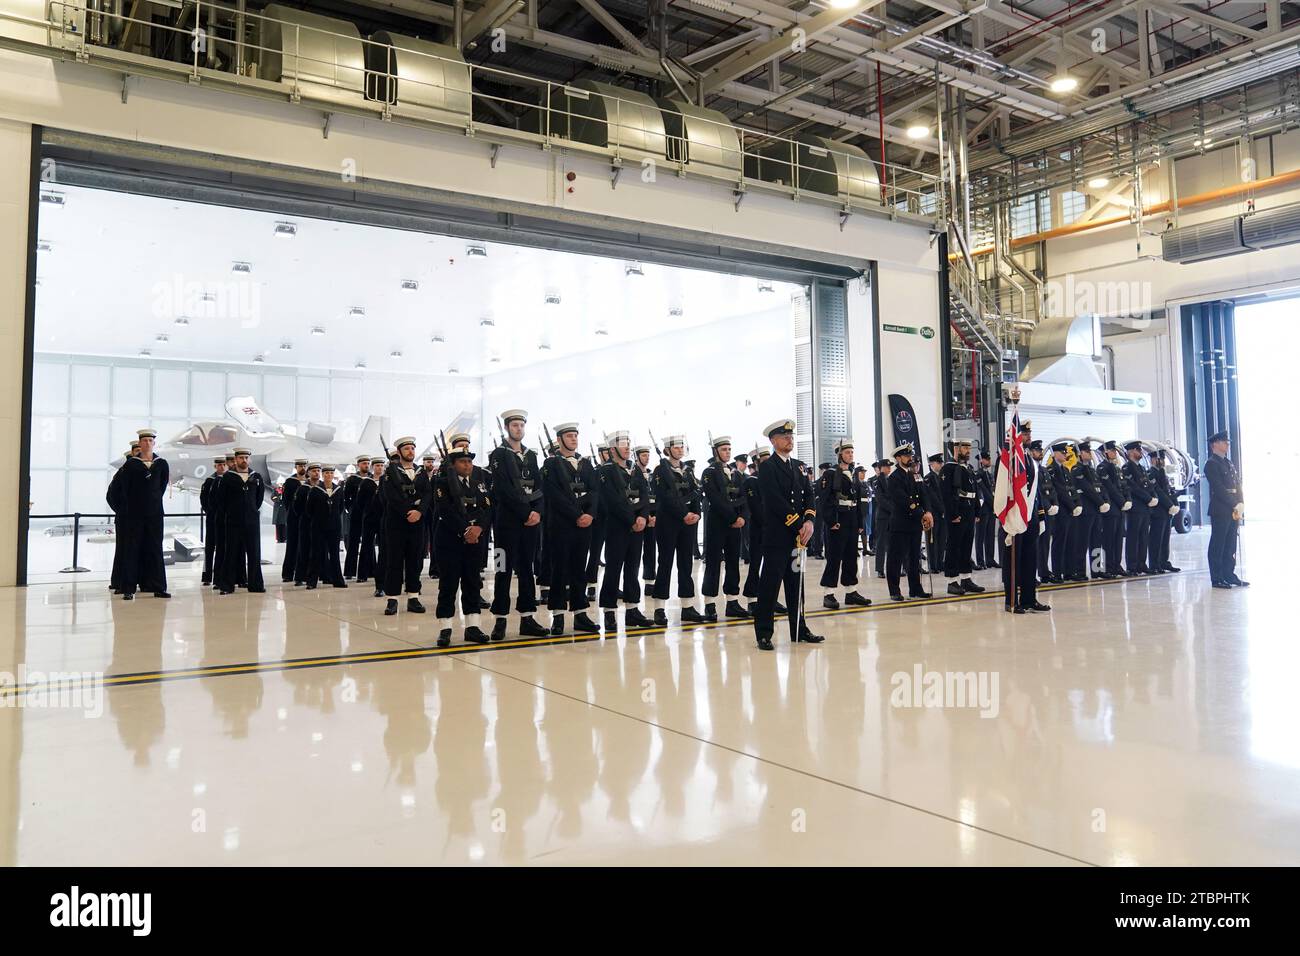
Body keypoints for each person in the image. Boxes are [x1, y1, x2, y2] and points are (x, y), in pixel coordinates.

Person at [751, 418, 822, 651]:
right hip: (778, 538)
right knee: (770, 587)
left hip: (797, 540)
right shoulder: (768, 468)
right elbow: (774, 501)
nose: (789, 440)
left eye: (791, 437)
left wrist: (810, 520)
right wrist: (799, 524)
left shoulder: (798, 466)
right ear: (773, 441)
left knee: (796, 586)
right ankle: (764, 633)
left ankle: (799, 628)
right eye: (784, 437)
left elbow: (809, 495)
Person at [487, 409, 549, 640]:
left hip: (530, 523)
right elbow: (503, 490)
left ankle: (527, 618)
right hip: (506, 524)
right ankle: (500, 619)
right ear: (506, 428)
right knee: (503, 570)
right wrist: (526, 512)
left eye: (521, 426)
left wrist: (537, 512)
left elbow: (539, 487)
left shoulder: (531, 455)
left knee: (527, 570)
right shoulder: (498, 454)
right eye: (514, 426)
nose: (518, 429)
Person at [542, 423, 600, 635]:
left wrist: (590, 515)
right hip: (562, 525)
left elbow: (595, 491)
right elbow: (554, 495)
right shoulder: (551, 464)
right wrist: (577, 515)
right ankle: (558, 615)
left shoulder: (586, 464)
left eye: (576, 435)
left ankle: (580, 612)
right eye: (569, 436)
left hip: (584, 525)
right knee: (560, 569)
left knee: (579, 569)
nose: (574, 439)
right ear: (559, 440)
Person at [433, 448, 493, 646]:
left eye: (469, 461)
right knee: (449, 585)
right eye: (462, 462)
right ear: (453, 465)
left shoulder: (478, 485)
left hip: (474, 542)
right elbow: (446, 511)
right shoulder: (442, 484)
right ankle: (445, 628)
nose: (467, 465)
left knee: (472, 583)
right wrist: (466, 530)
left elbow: (487, 509)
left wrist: (478, 529)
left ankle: (472, 627)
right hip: (450, 541)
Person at [597, 430, 655, 632]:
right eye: (623, 445)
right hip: (617, 527)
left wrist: (643, 516)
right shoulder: (606, 471)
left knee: (633, 568)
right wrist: (632, 519)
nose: (628, 448)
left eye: (629, 444)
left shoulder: (634, 469)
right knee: (613, 569)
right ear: (613, 449)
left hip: (637, 526)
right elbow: (613, 500)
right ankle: (609, 612)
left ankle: (632, 610)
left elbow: (645, 495)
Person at [651, 435, 705, 626]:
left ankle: (688, 606)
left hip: (688, 522)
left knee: (686, 564)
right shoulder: (660, 470)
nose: (680, 449)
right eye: (676, 446)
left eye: (682, 446)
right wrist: (684, 514)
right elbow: (665, 497)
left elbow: (696, 493)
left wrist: (696, 513)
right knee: (665, 564)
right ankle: (659, 608)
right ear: (667, 449)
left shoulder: (687, 471)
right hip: (668, 522)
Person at [116, 428, 170, 600]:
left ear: (154, 443)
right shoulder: (131, 465)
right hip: (135, 514)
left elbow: (161, 487)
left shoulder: (161, 464)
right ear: (139, 443)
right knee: (132, 549)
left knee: (155, 548)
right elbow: (124, 489)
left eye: (150, 440)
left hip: (154, 514)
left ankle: (158, 586)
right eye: (144, 440)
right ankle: (128, 588)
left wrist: (152, 502)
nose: (147, 443)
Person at [700, 435, 750, 621]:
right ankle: (709, 604)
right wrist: (732, 517)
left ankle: (732, 601)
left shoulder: (736, 473)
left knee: (732, 562)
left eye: (729, 449)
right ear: (716, 451)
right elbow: (714, 498)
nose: (727, 452)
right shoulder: (709, 472)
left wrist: (742, 517)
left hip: (735, 523)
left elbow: (744, 497)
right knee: (713, 563)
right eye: (723, 449)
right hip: (718, 522)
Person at [380, 437, 431, 616]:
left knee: (415, 561)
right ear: (400, 451)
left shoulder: (421, 472)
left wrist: (419, 511)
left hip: (417, 523)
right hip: (397, 523)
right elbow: (391, 496)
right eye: (407, 449)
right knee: (394, 561)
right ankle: (392, 599)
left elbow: (427, 494)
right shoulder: (389, 472)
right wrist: (408, 511)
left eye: (412, 448)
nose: (410, 451)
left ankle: (413, 597)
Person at [818, 439, 870, 609]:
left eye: (852, 452)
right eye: (847, 452)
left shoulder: (852, 473)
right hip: (838, 520)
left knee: (851, 557)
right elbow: (825, 500)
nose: (851, 455)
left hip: (852, 520)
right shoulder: (831, 473)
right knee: (834, 557)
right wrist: (831, 521)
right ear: (840, 454)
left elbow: (856, 501)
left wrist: (860, 523)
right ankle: (828, 593)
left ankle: (851, 591)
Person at [884, 443, 933, 602]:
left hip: (914, 524)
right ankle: (894, 590)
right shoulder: (894, 478)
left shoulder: (915, 475)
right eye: (906, 456)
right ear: (898, 458)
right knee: (896, 558)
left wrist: (928, 512)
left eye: (910, 456)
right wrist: (921, 512)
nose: (909, 458)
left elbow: (924, 494)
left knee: (914, 558)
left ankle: (915, 589)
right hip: (900, 524)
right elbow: (903, 500)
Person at [215, 446, 265, 594]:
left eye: (246, 458)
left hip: (252, 521)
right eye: (241, 458)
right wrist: (230, 513)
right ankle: (227, 586)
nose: (244, 460)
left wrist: (252, 510)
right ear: (235, 459)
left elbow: (259, 498)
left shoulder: (256, 477)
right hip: (233, 521)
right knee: (230, 553)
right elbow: (221, 500)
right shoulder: (228, 477)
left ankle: (256, 585)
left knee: (254, 553)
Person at [742, 447, 784, 616]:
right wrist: (770, 523)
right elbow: (756, 509)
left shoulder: (777, 480)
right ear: (757, 464)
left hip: (775, 530)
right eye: (764, 461)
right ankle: (752, 600)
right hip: (760, 529)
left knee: (773, 567)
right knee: (755, 565)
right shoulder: (752, 481)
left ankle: (771, 599)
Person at [1204, 431, 1247, 589]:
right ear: (1214, 444)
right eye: (1224, 442)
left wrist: (1241, 502)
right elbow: (1219, 488)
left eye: (1227, 442)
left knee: (1230, 544)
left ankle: (1229, 574)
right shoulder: (1211, 464)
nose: (1227, 444)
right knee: (1218, 544)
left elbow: (1237, 485)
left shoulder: (1228, 463)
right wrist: (1233, 503)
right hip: (1221, 509)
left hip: (1233, 508)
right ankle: (1217, 577)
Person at [941, 440, 985, 594]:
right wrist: (952, 514)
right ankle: (952, 581)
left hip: (969, 512)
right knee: (954, 546)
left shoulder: (968, 468)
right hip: (957, 513)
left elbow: (974, 491)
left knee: (966, 546)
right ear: (955, 449)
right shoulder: (948, 469)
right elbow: (946, 494)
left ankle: (966, 578)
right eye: (964, 447)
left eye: (968, 448)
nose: (968, 450)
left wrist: (977, 512)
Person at [1070, 441, 1109, 580]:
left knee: (1096, 541)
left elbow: (1100, 487)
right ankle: (1079, 571)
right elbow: (1087, 489)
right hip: (1086, 510)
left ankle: (1096, 569)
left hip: (1097, 510)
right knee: (1082, 542)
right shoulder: (1077, 469)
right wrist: (1100, 502)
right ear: (1080, 454)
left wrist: (1105, 501)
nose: (1090, 453)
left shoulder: (1091, 469)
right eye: (1087, 451)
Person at [1121, 440, 1157, 575]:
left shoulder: (1141, 468)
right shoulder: (1127, 468)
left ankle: (1142, 563)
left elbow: (1148, 485)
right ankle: (1132, 565)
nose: (1140, 452)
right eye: (1138, 450)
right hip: (1136, 507)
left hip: (1146, 508)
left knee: (1143, 537)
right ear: (1130, 452)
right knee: (1133, 537)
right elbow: (1132, 487)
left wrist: (1154, 496)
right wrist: (1148, 498)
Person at [1046, 441, 1080, 583]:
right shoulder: (1051, 470)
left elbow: (1072, 489)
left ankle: (1069, 571)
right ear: (1054, 454)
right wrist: (1073, 506)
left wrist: (1078, 504)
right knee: (1059, 543)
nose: (1065, 454)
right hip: (1061, 511)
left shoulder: (1065, 470)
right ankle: (1057, 572)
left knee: (1070, 541)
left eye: (1065, 452)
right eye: (1062, 452)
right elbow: (1060, 491)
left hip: (1070, 511)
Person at [1097, 440, 1131, 576]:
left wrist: (1127, 499)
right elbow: (1110, 488)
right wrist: (1122, 501)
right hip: (1111, 508)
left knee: (1118, 539)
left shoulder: (1116, 468)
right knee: (1109, 540)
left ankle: (1117, 565)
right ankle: (1109, 566)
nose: (1115, 453)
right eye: (1112, 451)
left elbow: (1123, 485)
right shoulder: (1102, 468)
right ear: (1106, 452)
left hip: (1120, 508)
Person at [1148, 449, 1182, 574]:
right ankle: (1154, 564)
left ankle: (1164, 561)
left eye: (1163, 459)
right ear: (1153, 460)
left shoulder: (1163, 473)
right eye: (1159, 459)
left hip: (1167, 510)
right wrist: (1169, 504)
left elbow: (1169, 491)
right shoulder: (1151, 474)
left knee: (1165, 538)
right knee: (1156, 539)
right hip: (1158, 510)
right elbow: (1158, 491)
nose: (1162, 462)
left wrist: (1175, 504)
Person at [342, 455, 371, 579]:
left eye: (367, 463)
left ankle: (369, 570)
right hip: (356, 514)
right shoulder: (352, 479)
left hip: (369, 513)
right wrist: (351, 508)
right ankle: (350, 571)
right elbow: (346, 497)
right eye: (364, 463)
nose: (366, 465)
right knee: (353, 542)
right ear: (358, 465)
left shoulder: (371, 478)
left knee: (367, 542)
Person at [199, 456, 227, 586]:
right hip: (212, 519)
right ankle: (207, 576)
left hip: (224, 519)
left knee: (223, 547)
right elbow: (204, 500)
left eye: (223, 464)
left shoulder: (228, 480)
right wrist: (211, 512)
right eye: (219, 465)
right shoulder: (209, 481)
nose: (222, 467)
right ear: (215, 466)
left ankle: (220, 576)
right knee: (210, 548)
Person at [354, 456, 382, 585]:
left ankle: (383, 572)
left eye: (381, 466)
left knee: (384, 547)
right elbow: (359, 502)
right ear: (372, 467)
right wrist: (366, 511)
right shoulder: (366, 482)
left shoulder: (387, 481)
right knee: (366, 545)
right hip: (369, 518)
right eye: (377, 466)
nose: (379, 468)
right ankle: (362, 574)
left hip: (384, 519)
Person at [633, 445, 658, 588]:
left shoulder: (651, 475)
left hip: (653, 518)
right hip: (639, 517)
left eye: (648, 455)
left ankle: (649, 581)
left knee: (650, 550)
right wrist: (645, 515)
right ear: (636, 457)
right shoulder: (633, 475)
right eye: (643, 455)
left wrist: (654, 516)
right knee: (635, 553)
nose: (646, 458)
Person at [280, 458, 307, 582]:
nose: (302, 468)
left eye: (304, 465)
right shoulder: (290, 482)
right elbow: (286, 501)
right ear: (296, 467)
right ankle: (288, 573)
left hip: (308, 518)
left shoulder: (309, 481)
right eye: (300, 466)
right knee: (292, 545)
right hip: (293, 518)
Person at [292, 463, 319, 587]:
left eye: (318, 471)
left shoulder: (322, 487)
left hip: (319, 523)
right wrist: (304, 516)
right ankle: (300, 576)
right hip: (305, 522)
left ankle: (322, 574)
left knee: (319, 550)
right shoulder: (303, 488)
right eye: (313, 471)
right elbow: (296, 506)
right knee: (304, 549)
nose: (316, 473)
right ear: (308, 473)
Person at [923, 453, 947, 575]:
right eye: (939, 463)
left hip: (943, 513)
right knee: (932, 540)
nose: (941, 465)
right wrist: (942, 509)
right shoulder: (928, 478)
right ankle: (933, 564)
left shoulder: (942, 477)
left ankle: (940, 562)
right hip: (934, 513)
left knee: (942, 539)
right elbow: (932, 497)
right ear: (932, 464)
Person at [870, 459, 893, 577]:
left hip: (892, 516)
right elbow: (880, 499)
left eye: (890, 467)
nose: (889, 469)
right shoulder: (877, 481)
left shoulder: (891, 480)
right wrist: (893, 508)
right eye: (886, 467)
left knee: (892, 543)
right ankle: (880, 569)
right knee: (881, 543)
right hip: (883, 516)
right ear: (881, 468)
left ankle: (893, 568)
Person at [974, 451, 997, 569]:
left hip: (991, 508)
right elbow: (985, 492)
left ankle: (990, 559)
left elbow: (993, 490)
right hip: (983, 508)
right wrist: (994, 504)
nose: (989, 461)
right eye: (986, 459)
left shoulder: (990, 474)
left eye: (989, 459)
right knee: (980, 536)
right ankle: (980, 561)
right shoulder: (978, 474)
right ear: (981, 461)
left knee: (990, 535)